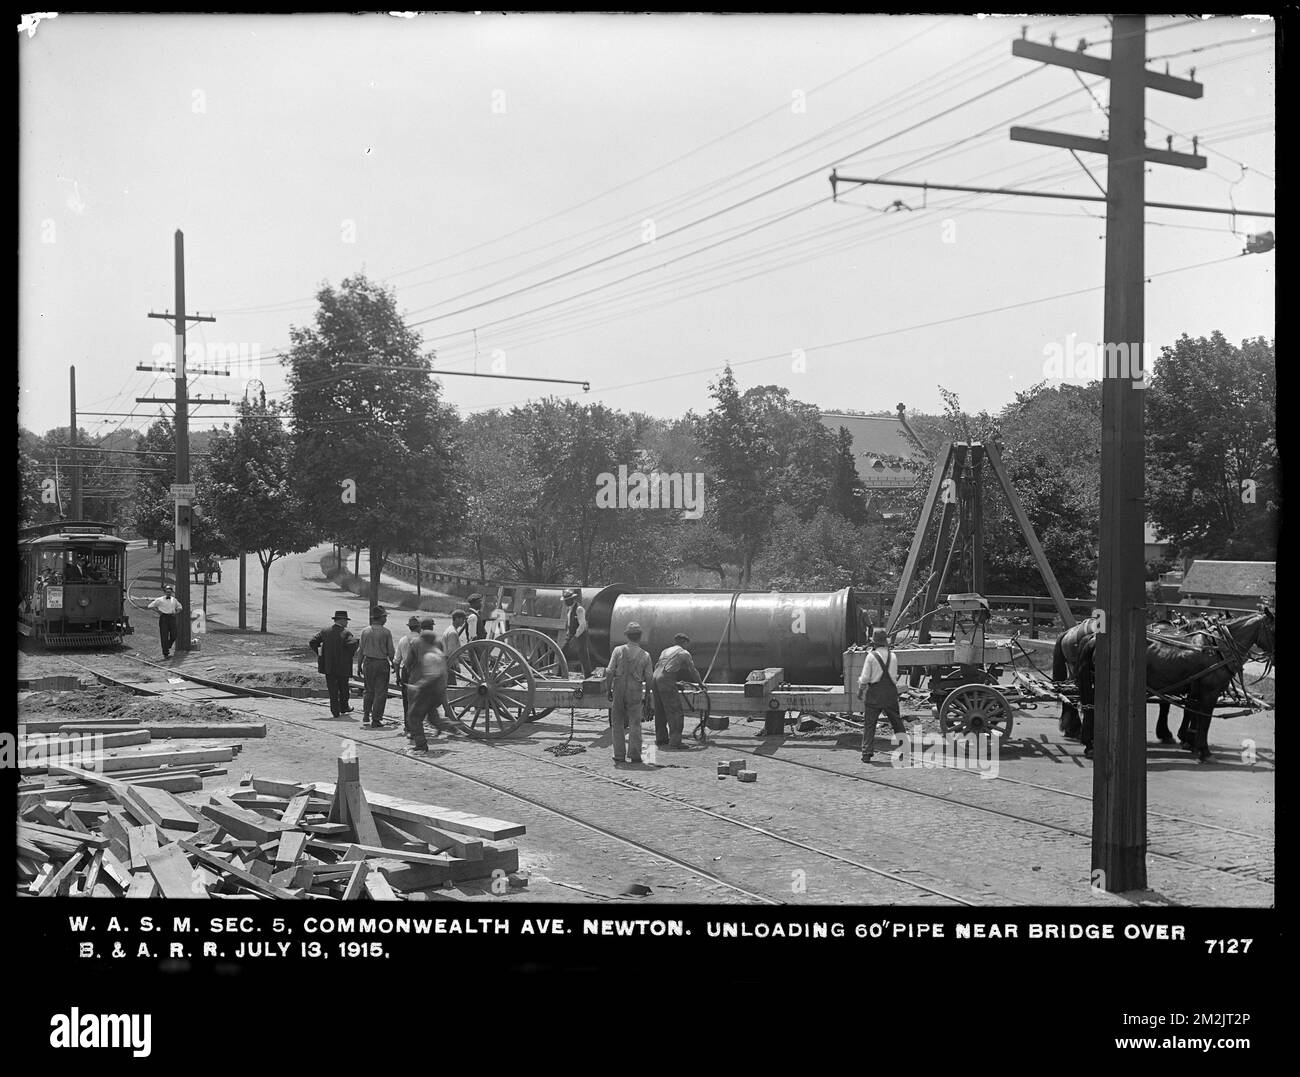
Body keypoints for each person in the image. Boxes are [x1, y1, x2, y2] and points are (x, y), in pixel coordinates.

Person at [604, 622, 653, 765]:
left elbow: (609, 671)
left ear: (627, 636)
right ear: (640, 636)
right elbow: (649, 678)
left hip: (619, 689)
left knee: (617, 722)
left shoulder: (618, 650)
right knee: (635, 723)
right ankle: (635, 755)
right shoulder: (645, 655)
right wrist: (647, 696)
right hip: (635, 690)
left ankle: (619, 755)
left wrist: (608, 689)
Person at [403, 617, 454, 753]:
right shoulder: (439, 645)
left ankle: (420, 742)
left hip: (422, 685)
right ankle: (450, 725)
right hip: (438, 688)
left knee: (414, 716)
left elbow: (408, 663)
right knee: (432, 715)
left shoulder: (416, 644)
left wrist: (417, 685)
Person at [857, 628, 905, 762]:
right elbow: (894, 676)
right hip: (890, 693)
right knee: (897, 722)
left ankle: (867, 753)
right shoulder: (893, 656)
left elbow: (865, 678)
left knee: (870, 724)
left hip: (874, 693)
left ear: (874, 642)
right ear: (885, 642)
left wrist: (860, 690)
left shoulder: (871, 656)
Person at [652, 632, 704, 748]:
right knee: (675, 712)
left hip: (655, 678)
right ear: (685, 642)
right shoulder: (684, 653)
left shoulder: (665, 651)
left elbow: (660, 668)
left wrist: (674, 683)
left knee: (660, 710)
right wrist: (701, 684)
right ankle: (675, 742)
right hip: (665, 680)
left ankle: (661, 739)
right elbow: (692, 670)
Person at [310, 610, 358, 718]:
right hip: (343, 666)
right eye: (346, 620)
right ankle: (344, 707)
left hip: (328, 666)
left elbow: (313, 641)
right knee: (344, 688)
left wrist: (321, 654)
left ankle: (335, 711)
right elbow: (353, 644)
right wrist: (349, 655)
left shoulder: (325, 631)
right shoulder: (346, 633)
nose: (347, 622)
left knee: (332, 690)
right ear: (341, 620)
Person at [355, 606, 396, 729]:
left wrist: (359, 666)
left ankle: (366, 714)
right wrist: (394, 664)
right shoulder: (386, 632)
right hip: (381, 664)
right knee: (380, 692)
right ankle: (376, 719)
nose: (386, 619)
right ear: (381, 618)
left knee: (368, 690)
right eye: (385, 617)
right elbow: (391, 651)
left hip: (368, 663)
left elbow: (361, 650)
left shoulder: (365, 631)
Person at [395, 615, 422, 720]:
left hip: (405, 671)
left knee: (406, 699)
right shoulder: (422, 640)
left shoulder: (403, 640)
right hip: (418, 672)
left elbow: (397, 661)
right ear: (419, 627)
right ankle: (416, 723)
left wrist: (398, 677)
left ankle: (408, 723)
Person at [561, 588, 593, 677]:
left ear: (572, 599)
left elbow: (582, 625)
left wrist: (576, 636)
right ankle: (561, 674)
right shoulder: (569, 609)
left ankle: (588, 675)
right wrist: (569, 634)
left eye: (567, 600)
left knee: (583, 655)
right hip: (571, 635)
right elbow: (570, 624)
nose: (566, 602)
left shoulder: (579, 609)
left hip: (580, 635)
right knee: (562, 652)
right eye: (565, 600)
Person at [146, 584, 184, 658]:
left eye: (170, 592)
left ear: (171, 592)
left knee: (174, 634)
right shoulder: (160, 600)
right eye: (167, 592)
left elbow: (180, 607)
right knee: (164, 636)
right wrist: (158, 611)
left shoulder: (174, 600)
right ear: (165, 592)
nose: (168, 593)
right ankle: (165, 653)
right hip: (164, 618)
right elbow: (150, 606)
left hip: (172, 617)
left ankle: (168, 645)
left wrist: (176, 613)